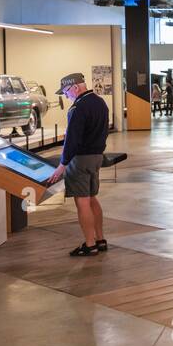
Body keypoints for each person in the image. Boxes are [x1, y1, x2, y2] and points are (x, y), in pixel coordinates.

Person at [46, 72, 110, 257]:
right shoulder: (100, 103)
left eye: (66, 91)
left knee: (82, 202)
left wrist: (62, 164)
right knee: (92, 198)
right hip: (97, 156)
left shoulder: (78, 108)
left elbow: (72, 140)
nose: (66, 96)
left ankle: (90, 245)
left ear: (75, 87)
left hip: (80, 159)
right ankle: (100, 239)